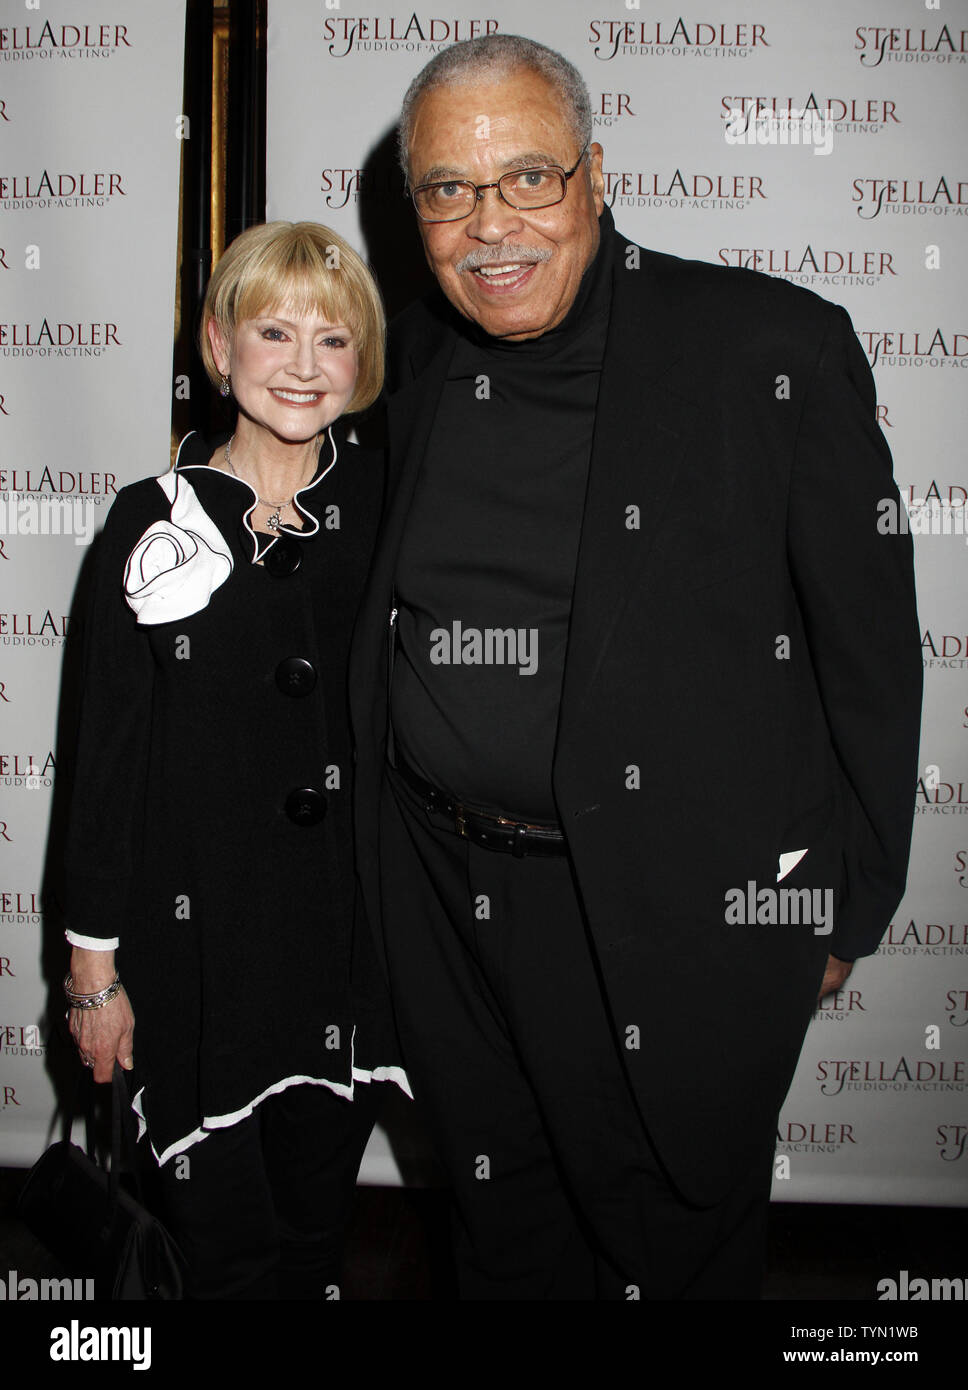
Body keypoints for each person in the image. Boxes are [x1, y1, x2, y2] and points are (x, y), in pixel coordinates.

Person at [348, 35, 923, 1300]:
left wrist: (847, 900)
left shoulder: (766, 348)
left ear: (596, 175)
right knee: (503, 1245)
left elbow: (870, 652)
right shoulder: (409, 362)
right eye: (446, 189)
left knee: (669, 1247)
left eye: (526, 179)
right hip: (443, 900)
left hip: (659, 915)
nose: (486, 225)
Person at [63, 221, 409, 1299]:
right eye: (273, 331)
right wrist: (93, 974)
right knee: (223, 1259)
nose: (305, 365)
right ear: (218, 347)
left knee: (312, 1250)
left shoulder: (393, 501)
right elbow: (103, 763)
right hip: (196, 955)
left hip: (347, 955)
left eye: (334, 339)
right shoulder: (146, 523)